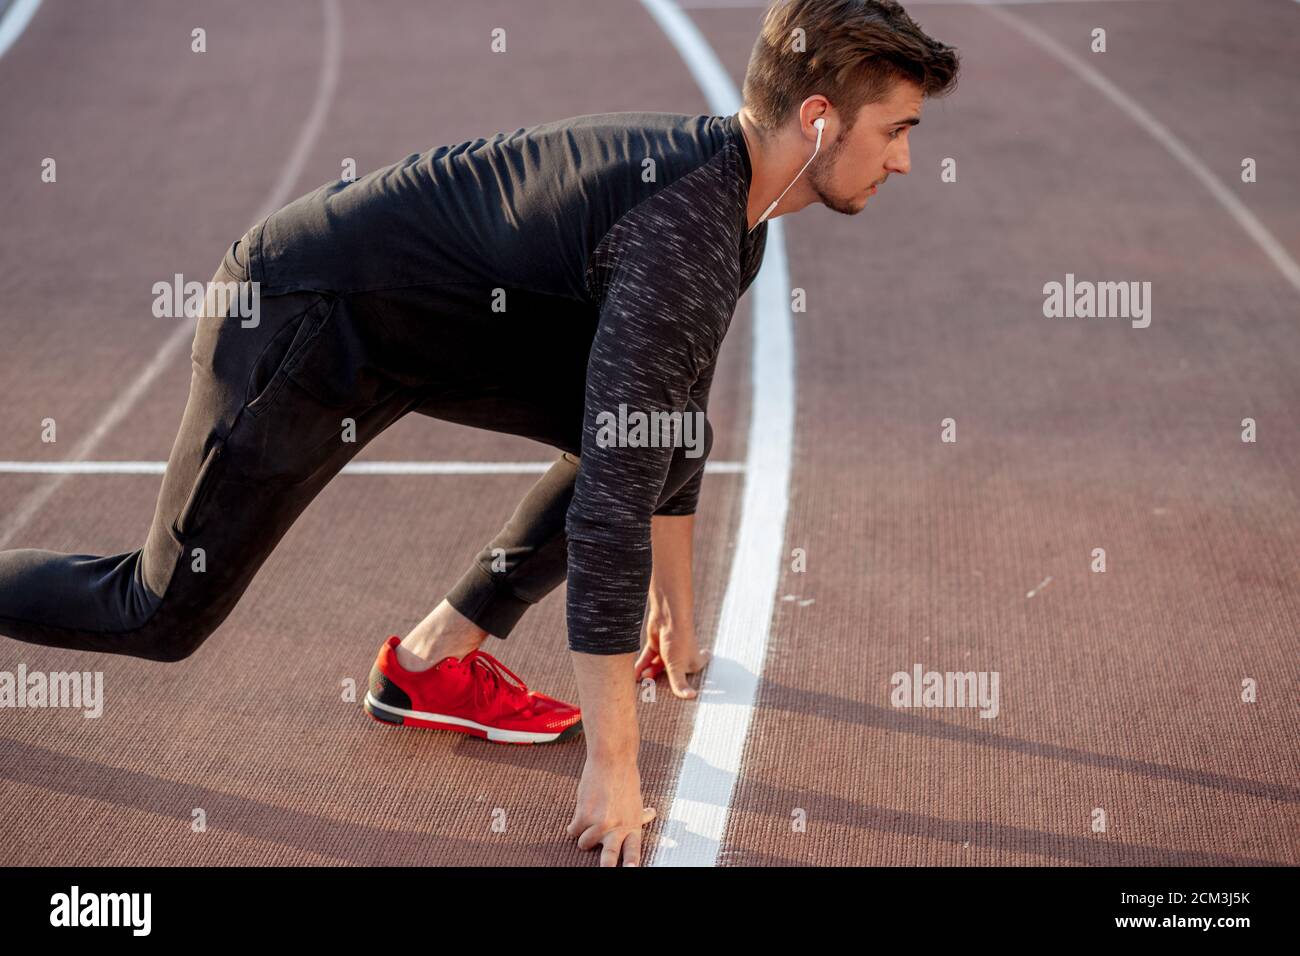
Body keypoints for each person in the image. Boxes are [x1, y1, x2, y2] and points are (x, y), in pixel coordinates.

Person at [0, 0, 958, 865]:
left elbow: (670, 422)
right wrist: (615, 769)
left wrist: (679, 615)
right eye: (897, 131)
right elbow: (611, 512)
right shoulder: (687, 231)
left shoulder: (733, 206)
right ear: (821, 118)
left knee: (655, 420)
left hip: (414, 333)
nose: (908, 159)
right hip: (300, 323)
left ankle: (428, 663)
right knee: (159, 614)